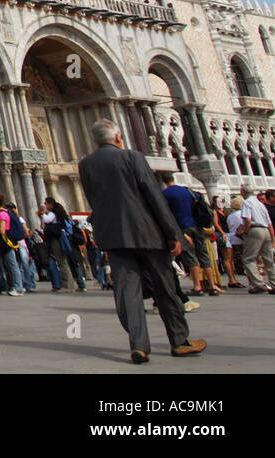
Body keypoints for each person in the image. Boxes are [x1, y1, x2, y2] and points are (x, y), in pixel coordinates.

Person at [77, 119, 205, 363]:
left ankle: (138, 345)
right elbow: (154, 197)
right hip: (147, 233)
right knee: (165, 287)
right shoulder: (132, 157)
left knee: (127, 292)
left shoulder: (86, 165)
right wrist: (173, 234)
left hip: (114, 237)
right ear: (117, 137)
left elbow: (94, 200)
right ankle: (179, 341)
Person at [160, 176, 210, 296]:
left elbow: (165, 212)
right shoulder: (188, 191)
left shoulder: (165, 193)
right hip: (197, 226)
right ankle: (212, 285)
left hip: (183, 228)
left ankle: (197, 286)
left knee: (191, 256)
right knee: (204, 255)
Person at [236, 185, 275, 293]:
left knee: (248, 258)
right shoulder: (260, 204)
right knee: (269, 259)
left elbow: (247, 219)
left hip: (255, 229)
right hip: (266, 230)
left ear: (243, 193)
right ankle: (274, 282)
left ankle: (258, 283)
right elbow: (269, 223)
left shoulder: (247, 202)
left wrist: (246, 231)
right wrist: (272, 239)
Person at [0, 195, 23, 296]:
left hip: (6, 242)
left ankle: (18, 287)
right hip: (2, 243)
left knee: (12, 264)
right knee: (7, 265)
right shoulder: (1, 213)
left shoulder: (2, 215)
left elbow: (2, 231)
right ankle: (11, 286)